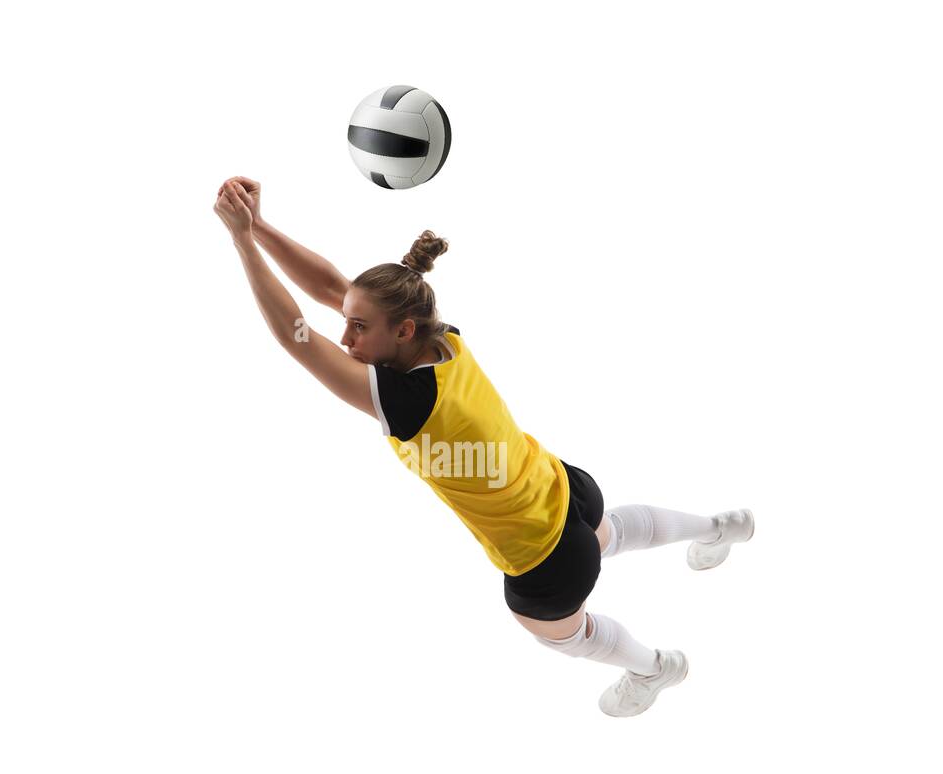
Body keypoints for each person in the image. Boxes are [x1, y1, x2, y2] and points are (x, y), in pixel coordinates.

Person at [213, 176, 754, 717]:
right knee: (605, 531)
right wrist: (257, 226)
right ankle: (720, 527)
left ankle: (653, 668)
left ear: (400, 332)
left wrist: (242, 242)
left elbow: (296, 335)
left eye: (357, 328)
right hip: (564, 488)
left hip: (542, 561)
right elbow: (336, 287)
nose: (346, 339)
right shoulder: (440, 336)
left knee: (560, 634)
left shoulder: (406, 401)